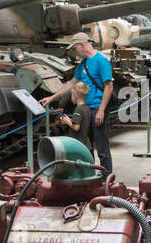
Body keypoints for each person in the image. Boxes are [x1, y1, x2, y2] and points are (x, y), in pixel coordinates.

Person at [44, 31, 114, 175]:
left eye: (74, 48)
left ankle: (107, 178)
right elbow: (71, 84)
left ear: (81, 45)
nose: (74, 52)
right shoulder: (83, 64)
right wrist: (52, 98)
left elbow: (109, 86)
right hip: (85, 111)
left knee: (102, 148)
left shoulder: (101, 61)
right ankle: (90, 176)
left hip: (97, 110)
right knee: (86, 146)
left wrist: (101, 110)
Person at [56, 80, 94, 155]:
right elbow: (81, 121)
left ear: (75, 96)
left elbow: (76, 127)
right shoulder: (86, 108)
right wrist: (69, 120)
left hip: (78, 144)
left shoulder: (78, 110)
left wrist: (68, 122)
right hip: (85, 142)